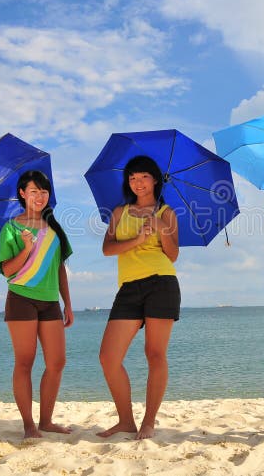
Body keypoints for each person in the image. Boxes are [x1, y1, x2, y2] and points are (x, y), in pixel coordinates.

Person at [97, 155, 180, 440]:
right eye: (132, 178)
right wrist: (137, 240)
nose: (138, 182)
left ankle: (149, 421)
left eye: (143, 176)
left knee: (155, 354)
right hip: (129, 287)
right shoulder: (120, 212)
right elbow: (107, 249)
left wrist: (160, 230)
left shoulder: (167, 213)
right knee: (108, 357)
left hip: (162, 283)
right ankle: (125, 421)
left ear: (155, 179)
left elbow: (173, 254)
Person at [0, 170, 74, 438]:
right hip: (21, 299)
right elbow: (7, 270)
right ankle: (29, 424)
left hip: (50, 302)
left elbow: (60, 268)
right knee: (25, 361)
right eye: (33, 191)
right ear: (22, 194)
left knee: (57, 362)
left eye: (44, 192)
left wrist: (68, 303)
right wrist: (27, 249)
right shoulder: (11, 228)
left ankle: (46, 421)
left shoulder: (54, 228)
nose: (39, 196)